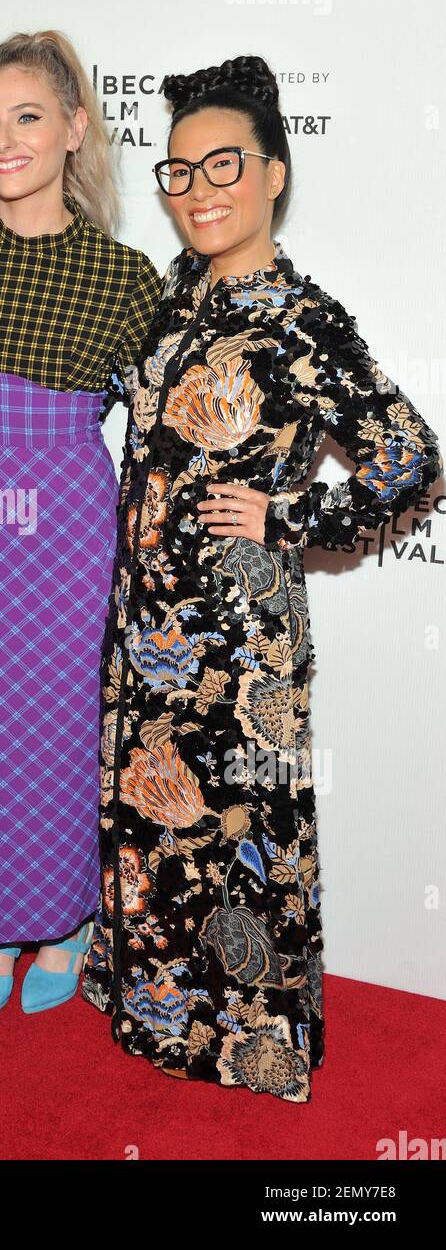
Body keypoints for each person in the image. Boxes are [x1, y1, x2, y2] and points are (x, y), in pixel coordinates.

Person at [79, 54, 443, 1100]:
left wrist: (288, 516)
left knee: (242, 841)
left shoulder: (302, 319)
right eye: (177, 173)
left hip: (240, 640)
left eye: (222, 166)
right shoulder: (172, 298)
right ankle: (159, 1021)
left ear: (273, 172)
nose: (197, 191)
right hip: (146, 622)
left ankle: (254, 1044)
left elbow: (409, 457)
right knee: (156, 833)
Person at [0, 31, 162, 1019]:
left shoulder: (125, 276)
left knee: (54, 728)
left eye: (26, 116)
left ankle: (61, 917)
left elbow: (165, 422)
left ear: (73, 131)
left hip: (66, 532)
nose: (1, 140)